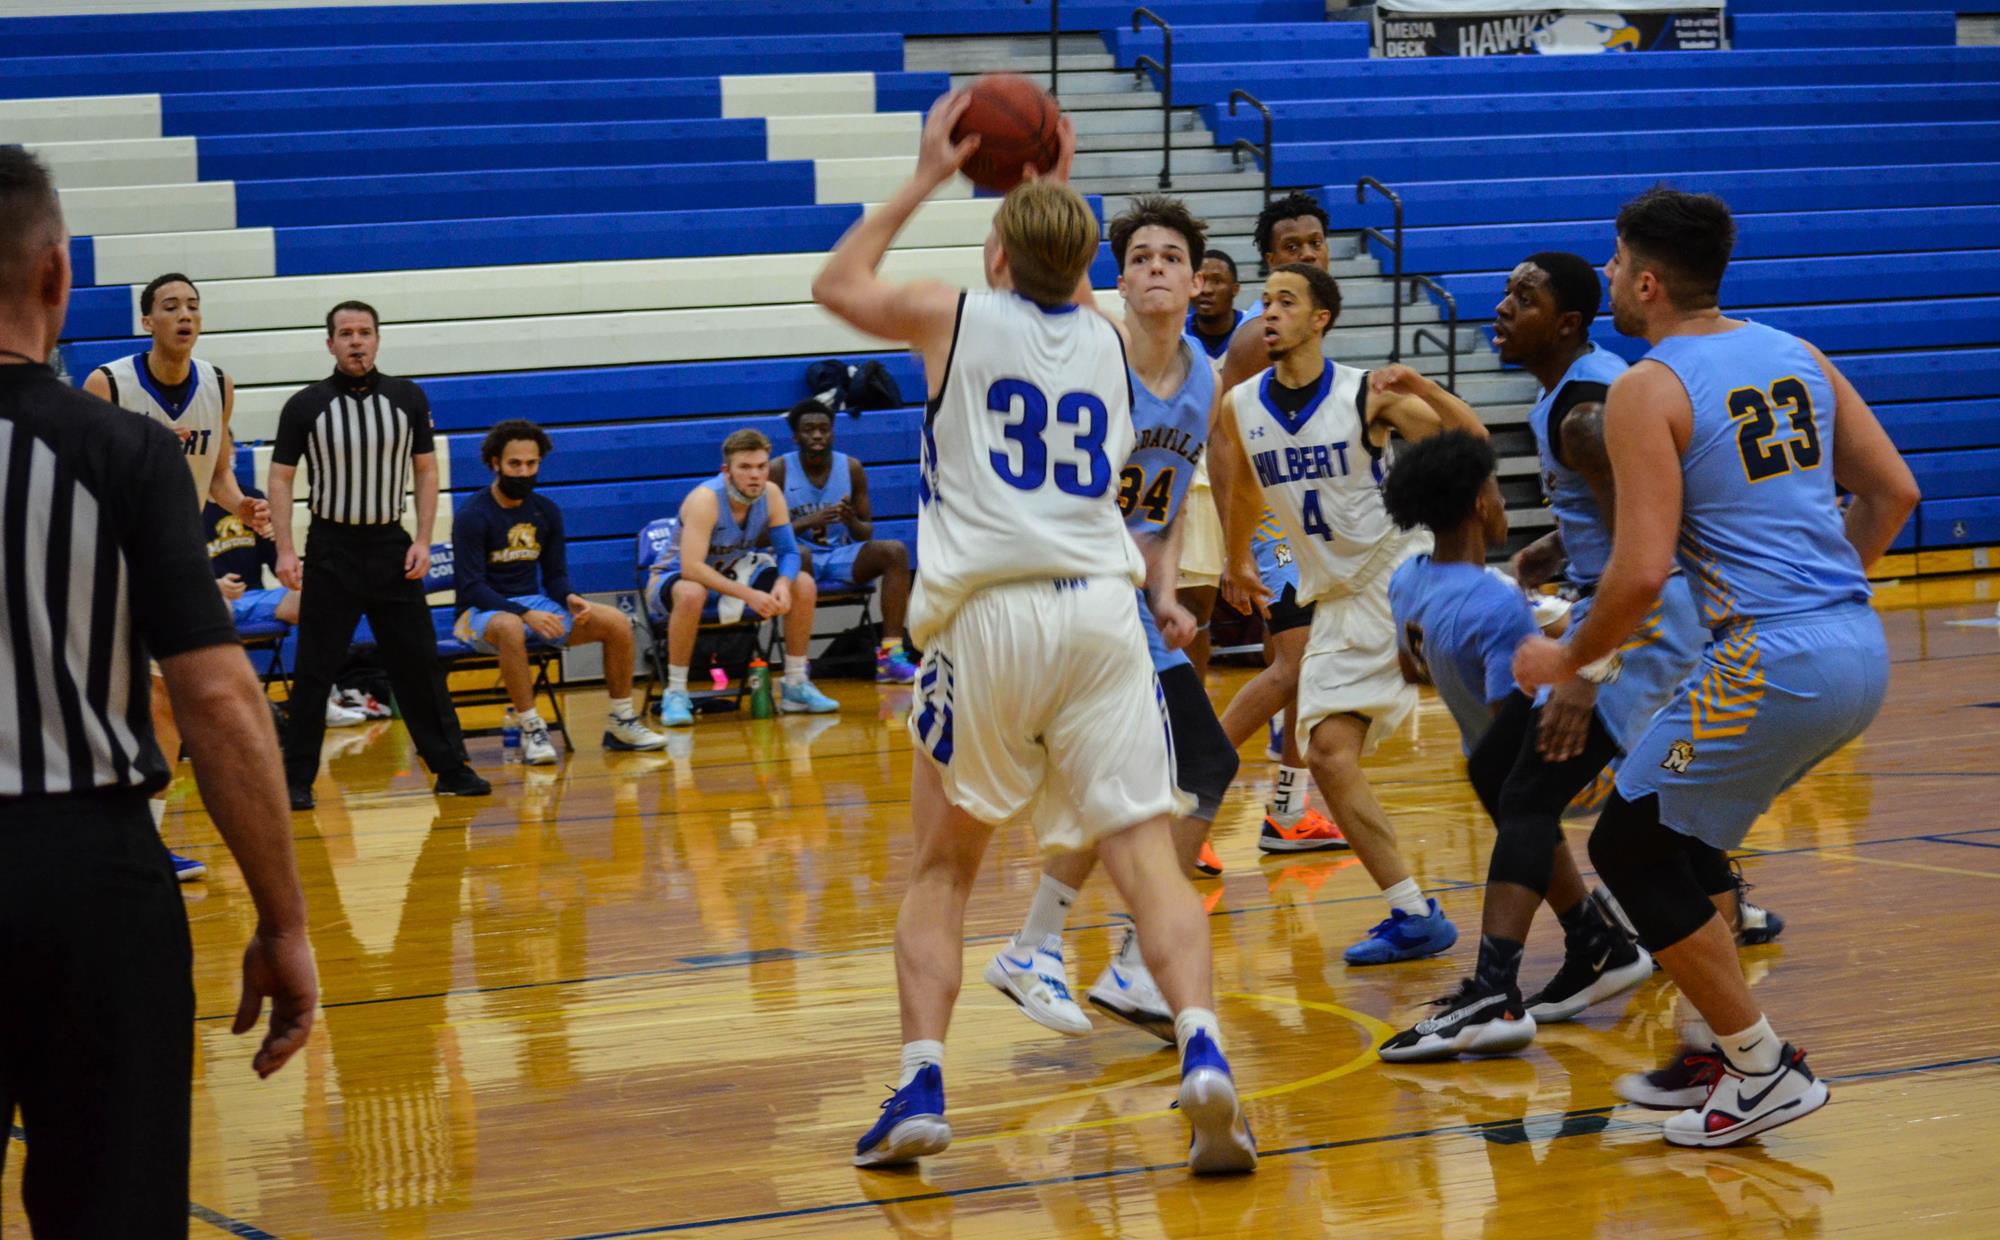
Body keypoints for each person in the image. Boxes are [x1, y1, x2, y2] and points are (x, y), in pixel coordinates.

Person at [814, 93, 1255, 1175]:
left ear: (997, 252)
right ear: (1093, 260)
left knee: (943, 870)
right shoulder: (1116, 352)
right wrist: (1048, 180)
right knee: (1148, 859)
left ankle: (921, 1077)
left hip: (988, 617)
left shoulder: (957, 315)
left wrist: (928, 172)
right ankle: (1204, 1052)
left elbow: (835, 284)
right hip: (1101, 615)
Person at [1515, 188, 1918, 1146]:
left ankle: (1759, 1064)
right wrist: (1822, 601)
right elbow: (1895, 491)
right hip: (1857, 648)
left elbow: (1641, 572)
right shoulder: (1796, 354)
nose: (1607, 275)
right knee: (1686, 838)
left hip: (1771, 656)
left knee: (1626, 846)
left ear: (1646, 282)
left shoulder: (1648, 387)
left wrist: (1570, 654)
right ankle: (1712, 1049)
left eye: (1614, 263)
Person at [0, 145, 316, 1234]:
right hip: (91, 875)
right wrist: (282, 919)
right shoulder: (120, 449)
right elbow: (223, 701)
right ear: (58, 277)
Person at [982, 194, 1241, 1044]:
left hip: (1130, 593)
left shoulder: (1203, 377)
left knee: (1168, 770)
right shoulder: (1091, 350)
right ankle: (1105, 951)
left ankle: (1064, 948)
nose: (1158, 268)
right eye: (1142, 258)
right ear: (1117, 279)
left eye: (1174, 257)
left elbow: (1160, 507)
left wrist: (1167, 591)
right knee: (1183, 761)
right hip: (1067, 586)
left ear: (1199, 281)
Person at [1500, 251, 1782, 950]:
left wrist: (1587, 673)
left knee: (1529, 791)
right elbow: (1627, 509)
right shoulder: (1571, 391)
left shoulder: (1586, 415)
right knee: (1660, 790)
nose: (1502, 307)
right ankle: (1725, 911)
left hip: (1647, 612)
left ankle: (1525, 975)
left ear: (1566, 324)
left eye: (1524, 298)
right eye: (1507, 291)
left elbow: (1644, 542)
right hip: (1657, 603)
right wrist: (1558, 546)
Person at [1214, 262, 1487, 966]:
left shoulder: (1364, 394)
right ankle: (1412, 913)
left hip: (1396, 578)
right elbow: (1242, 482)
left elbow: (1472, 446)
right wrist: (1237, 554)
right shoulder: (1242, 403)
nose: (1269, 313)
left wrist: (1424, 387)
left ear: (1320, 320)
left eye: (1286, 302)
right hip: (1334, 599)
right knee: (1331, 756)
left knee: (1491, 730)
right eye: (1265, 301)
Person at [1374, 431, 1650, 1061]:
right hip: (1581, 754)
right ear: (1480, 503)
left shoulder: (1407, 579)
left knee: (1516, 805)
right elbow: (1520, 723)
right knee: (1524, 803)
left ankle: (1590, 946)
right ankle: (1592, 946)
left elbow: (1412, 670)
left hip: (1487, 749)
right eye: (1497, 490)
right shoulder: (1497, 602)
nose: (1502, 502)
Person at [83, 271, 269, 881]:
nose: (184, 314)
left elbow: (217, 477)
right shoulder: (108, 384)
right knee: (107, 702)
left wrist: (240, 503)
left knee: (167, 703)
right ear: (146, 321)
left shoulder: (218, 383)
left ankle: (149, 844)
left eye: (192, 305)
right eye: (170, 306)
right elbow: (82, 483)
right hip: (107, 561)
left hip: (173, 562)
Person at [268, 300, 490, 809]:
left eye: (364, 332)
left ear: (377, 340)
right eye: (344, 333)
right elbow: (280, 478)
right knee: (315, 668)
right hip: (330, 549)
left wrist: (423, 539)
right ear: (330, 344)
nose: (355, 341)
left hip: (391, 545)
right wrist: (284, 549)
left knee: (418, 665)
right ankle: (295, 780)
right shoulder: (305, 405)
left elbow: (427, 470)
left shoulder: (407, 397)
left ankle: (451, 768)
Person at [1209, 193, 1351, 854]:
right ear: (1269, 261)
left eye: (1313, 242)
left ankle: (1288, 813)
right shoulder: (1257, 334)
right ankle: (1187, 789)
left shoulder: (1310, 326)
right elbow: (1224, 439)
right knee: (1296, 668)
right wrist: (1235, 548)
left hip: (1296, 514)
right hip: (1255, 511)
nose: (1305, 253)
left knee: (1302, 665)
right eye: (1290, 247)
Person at [452, 419, 668, 763]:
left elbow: (554, 576)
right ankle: (531, 727)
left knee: (615, 621)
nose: (524, 472)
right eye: (514, 464)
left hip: (532, 604)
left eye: (531, 463)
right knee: (509, 626)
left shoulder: (546, 511)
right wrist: (525, 614)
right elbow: (471, 587)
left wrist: (569, 596)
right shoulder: (472, 516)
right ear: (495, 463)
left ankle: (621, 721)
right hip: (477, 613)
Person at [645, 427, 840, 726]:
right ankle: (676, 691)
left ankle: (796, 684)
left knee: (803, 583)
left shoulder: (772, 494)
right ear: (727, 470)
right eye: (745, 467)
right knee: (691, 591)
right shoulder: (705, 499)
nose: (755, 475)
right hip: (673, 579)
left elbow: (788, 552)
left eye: (761, 467)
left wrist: (781, 584)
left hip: (735, 572)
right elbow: (691, 568)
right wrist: (749, 594)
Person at [768, 399, 919, 683]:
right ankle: (798, 664)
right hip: (798, 560)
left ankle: (891, 655)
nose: (817, 435)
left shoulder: (851, 468)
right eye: (809, 430)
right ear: (795, 436)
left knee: (895, 551)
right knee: (800, 554)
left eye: (824, 429)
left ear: (832, 433)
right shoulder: (778, 471)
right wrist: (807, 522)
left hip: (839, 556)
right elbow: (762, 534)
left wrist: (851, 521)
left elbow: (866, 533)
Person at [204, 485, 372, 729]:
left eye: (230, 447)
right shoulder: (188, 501)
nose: (228, 454)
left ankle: (319, 698)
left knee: (316, 600)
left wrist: (277, 542)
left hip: (253, 597)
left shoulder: (251, 500)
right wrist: (214, 586)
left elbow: (278, 566)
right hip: (210, 598)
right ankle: (232, 711)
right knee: (217, 608)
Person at [1187, 250, 1243, 361]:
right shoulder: (1176, 334)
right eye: (1199, 281)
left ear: (1235, 289)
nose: (1206, 290)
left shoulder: (1252, 328)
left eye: (1217, 281)